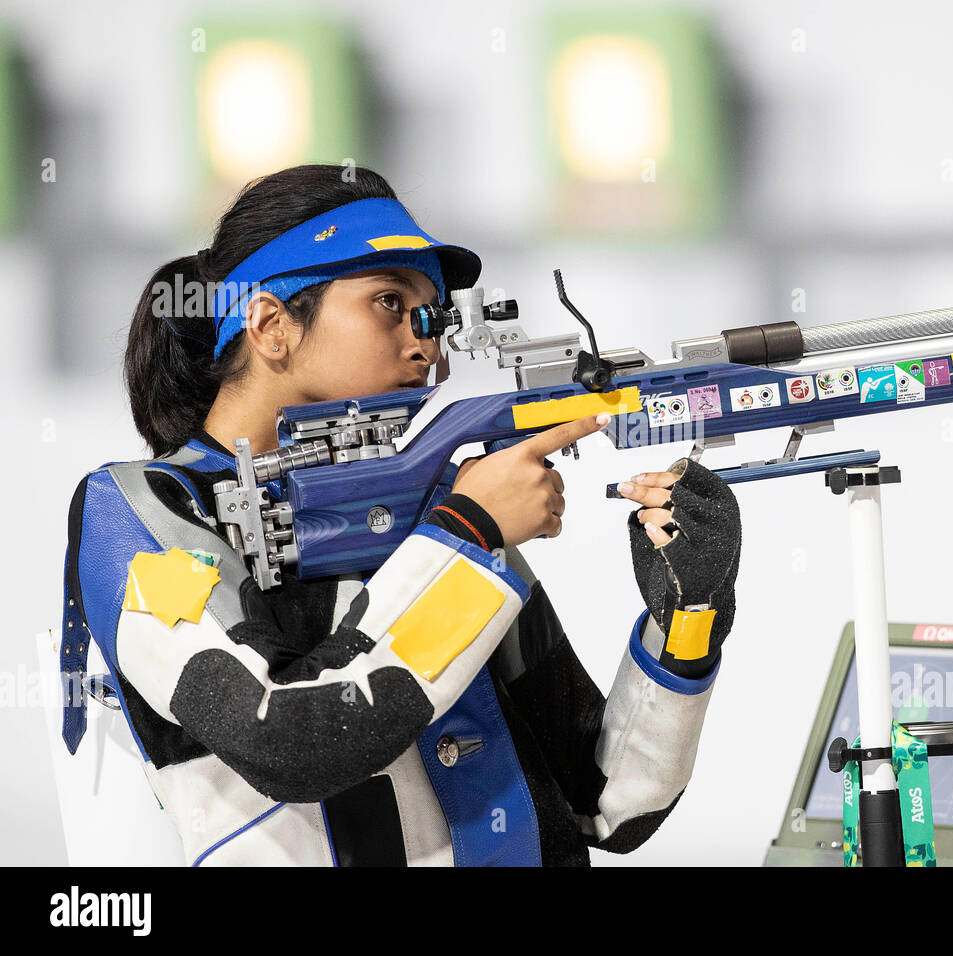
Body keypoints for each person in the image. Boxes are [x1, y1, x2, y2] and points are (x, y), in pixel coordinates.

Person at [58, 164, 742, 866]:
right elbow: (285, 740)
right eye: (390, 302)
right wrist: (468, 532)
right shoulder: (143, 508)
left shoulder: (431, 504)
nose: (428, 345)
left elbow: (607, 804)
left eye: (434, 316)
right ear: (269, 324)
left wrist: (686, 620)